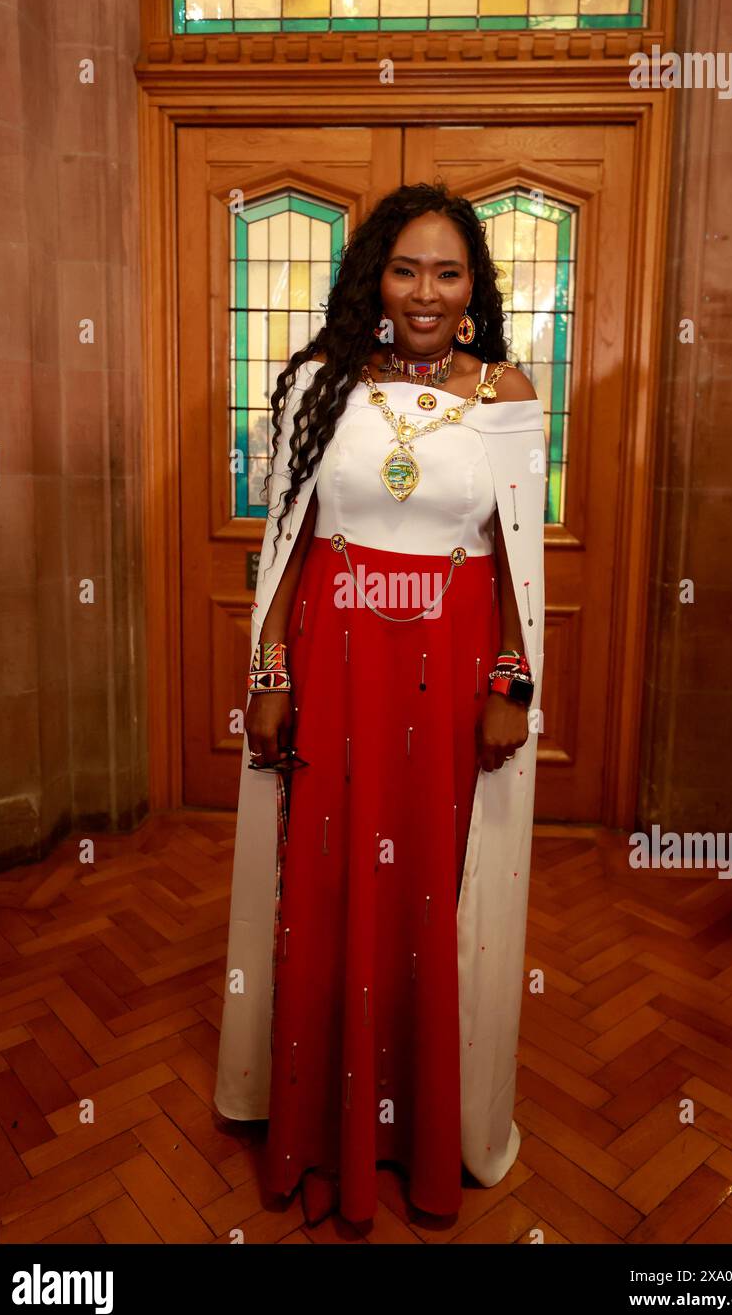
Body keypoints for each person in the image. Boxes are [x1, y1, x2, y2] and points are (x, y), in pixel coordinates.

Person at [214, 181, 546, 1228]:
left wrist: (511, 684)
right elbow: (286, 552)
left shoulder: (506, 390)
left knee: (429, 899)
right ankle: (317, 1130)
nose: (426, 292)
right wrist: (269, 681)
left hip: (449, 679)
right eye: (405, 268)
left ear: (474, 287)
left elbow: (519, 568)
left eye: (448, 272)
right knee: (321, 887)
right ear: (375, 278)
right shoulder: (323, 383)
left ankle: (417, 1135)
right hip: (335, 661)